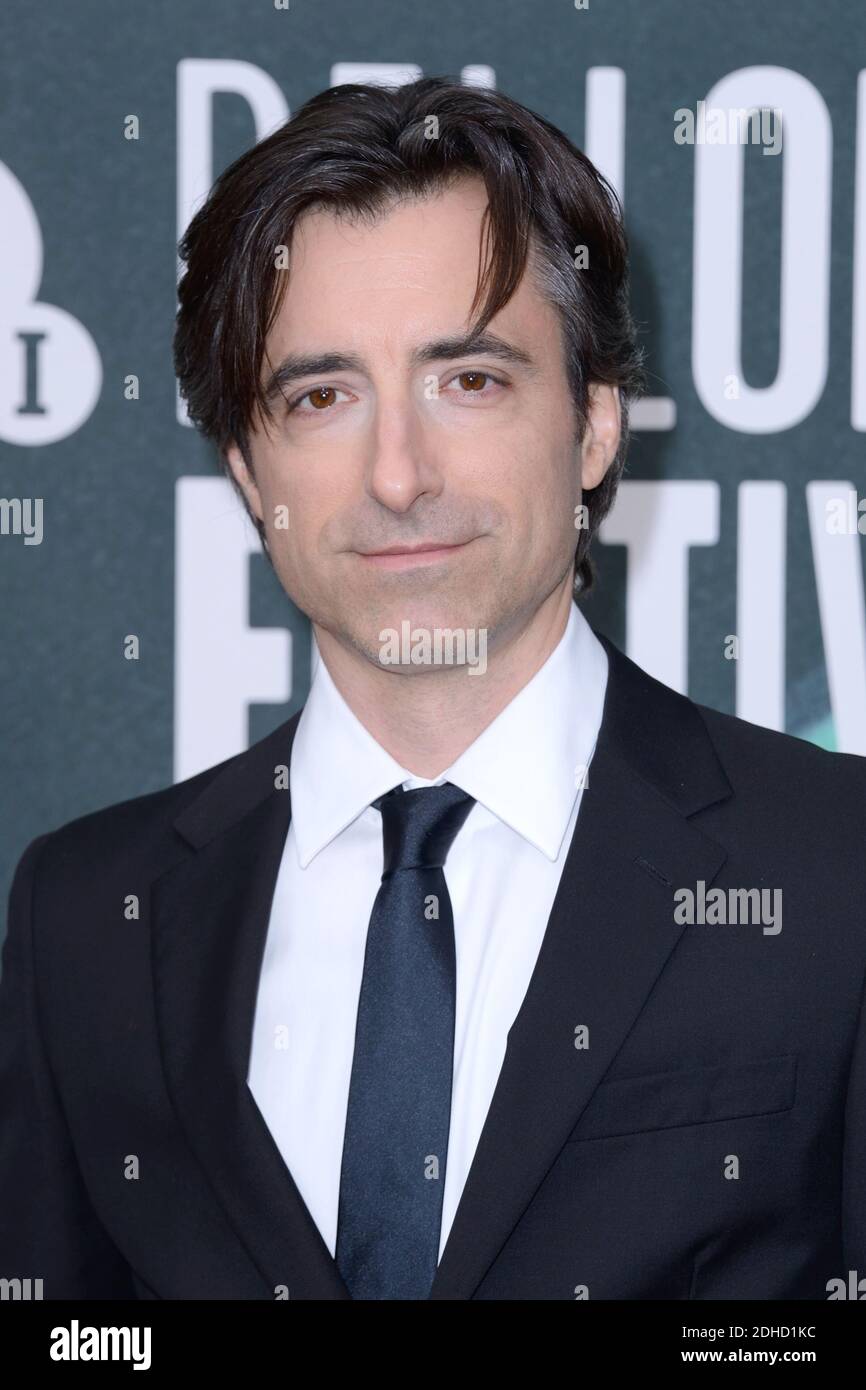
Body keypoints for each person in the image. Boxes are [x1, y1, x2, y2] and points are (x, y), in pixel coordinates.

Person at [1, 76, 864, 1301]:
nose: (397, 475)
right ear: (249, 470)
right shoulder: (85, 917)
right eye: (321, 396)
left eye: (469, 380)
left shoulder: (835, 871)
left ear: (596, 422)